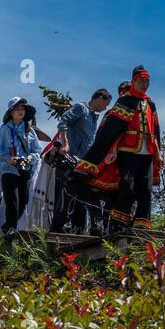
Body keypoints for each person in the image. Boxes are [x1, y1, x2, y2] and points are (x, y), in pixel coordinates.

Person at [72, 66, 162, 232]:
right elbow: (113, 130)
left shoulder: (150, 104)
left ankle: (142, 225)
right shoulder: (125, 102)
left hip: (147, 153)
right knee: (127, 186)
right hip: (128, 151)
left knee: (145, 190)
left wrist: (158, 151)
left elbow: (155, 130)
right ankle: (118, 224)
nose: (144, 84)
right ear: (134, 81)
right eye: (141, 81)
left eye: (147, 81)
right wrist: (112, 150)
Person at [51, 88, 112, 234]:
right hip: (69, 160)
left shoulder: (93, 117)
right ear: (99, 98)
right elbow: (63, 122)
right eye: (106, 104)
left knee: (83, 197)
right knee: (65, 195)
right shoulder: (80, 108)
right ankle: (57, 229)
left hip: (83, 164)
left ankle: (80, 229)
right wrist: (65, 144)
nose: (105, 108)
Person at [0, 97, 42, 234]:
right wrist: (8, 159)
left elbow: (37, 150)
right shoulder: (4, 129)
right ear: (11, 112)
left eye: (23, 109)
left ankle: (8, 226)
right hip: (8, 169)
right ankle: (10, 228)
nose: (21, 111)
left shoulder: (29, 130)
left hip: (25, 170)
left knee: (23, 200)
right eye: (17, 109)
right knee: (11, 199)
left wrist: (30, 158)